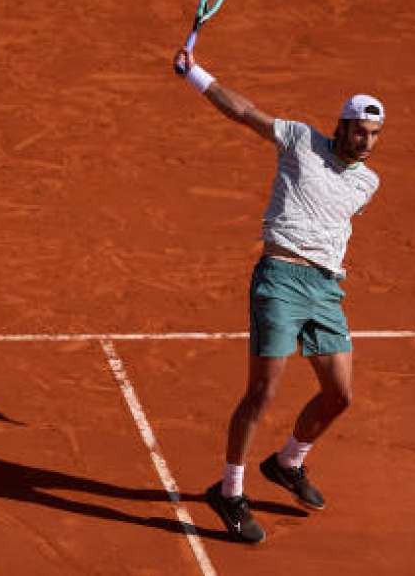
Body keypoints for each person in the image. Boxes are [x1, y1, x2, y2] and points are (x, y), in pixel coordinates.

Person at [173, 47, 384, 544]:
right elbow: (244, 111)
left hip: (326, 289)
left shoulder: (368, 183)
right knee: (262, 392)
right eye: (360, 131)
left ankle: (288, 463)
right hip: (280, 281)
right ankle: (229, 492)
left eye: (375, 135)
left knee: (340, 394)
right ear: (342, 124)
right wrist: (194, 74)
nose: (366, 142)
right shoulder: (299, 140)